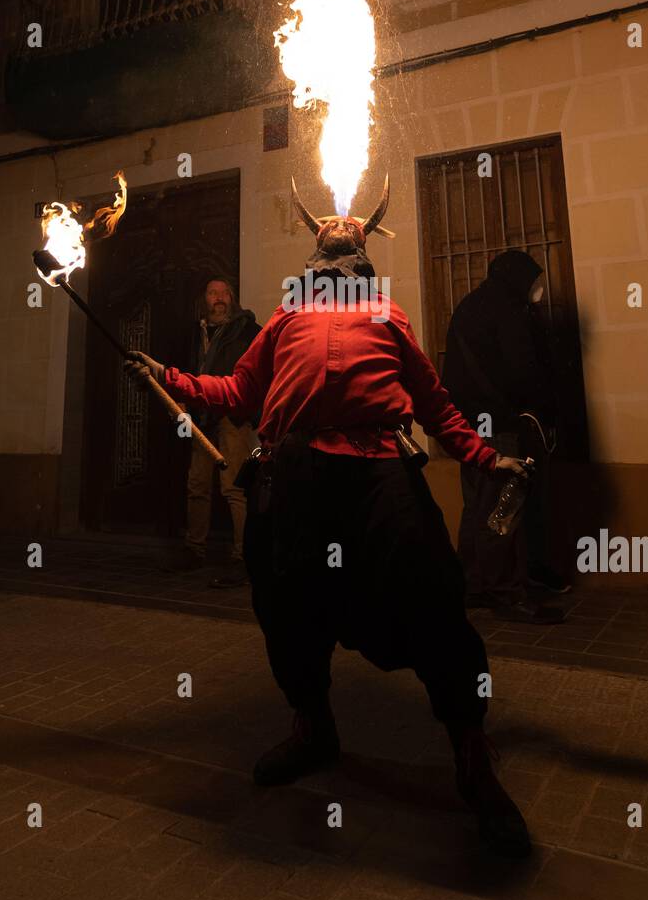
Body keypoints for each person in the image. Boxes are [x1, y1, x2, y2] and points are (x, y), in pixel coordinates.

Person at [126, 179, 533, 858]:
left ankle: (471, 757)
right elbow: (237, 390)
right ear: (318, 241)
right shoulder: (286, 318)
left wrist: (487, 459)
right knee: (286, 608)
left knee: (433, 601)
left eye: (351, 221)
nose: (341, 223)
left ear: (363, 241)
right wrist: (171, 377)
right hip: (294, 476)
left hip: (377, 471)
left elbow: (435, 406)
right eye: (331, 222)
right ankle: (313, 728)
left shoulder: (388, 315)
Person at [441, 249, 569, 624]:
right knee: (503, 508)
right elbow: (522, 370)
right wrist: (541, 405)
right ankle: (506, 594)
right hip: (497, 425)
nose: (538, 289)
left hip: (468, 425)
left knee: (477, 506)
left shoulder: (472, 305)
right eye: (534, 281)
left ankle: (473, 586)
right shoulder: (508, 310)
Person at [169, 277, 260, 588]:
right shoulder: (196, 333)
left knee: (235, 487)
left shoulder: (246, 329)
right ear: (204, 299)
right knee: (197, 484)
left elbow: (259, 370)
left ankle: (243, 557)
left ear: (232, 298)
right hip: (200, 417)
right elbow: (184, 370)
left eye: (224, 293)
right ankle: (195, 550)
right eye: (212, 293)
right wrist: (180, 402)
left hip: (232, 417)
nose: (218, 298)